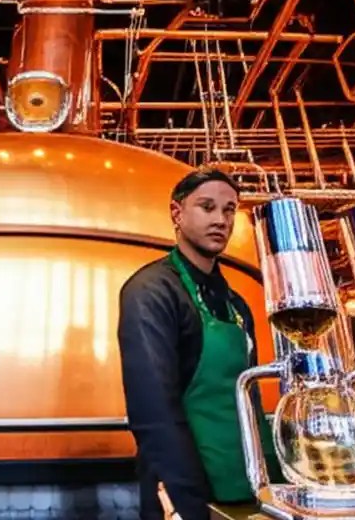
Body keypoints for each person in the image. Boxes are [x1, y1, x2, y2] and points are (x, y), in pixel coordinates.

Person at [117, 168, 277, 520]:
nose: (221, 219)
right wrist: (191, 506)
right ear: (177, 213)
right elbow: (153, 411)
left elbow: (248, 401)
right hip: (188, 494)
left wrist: (273, 481)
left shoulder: (236, 303)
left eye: (229, 209)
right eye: (207, 207)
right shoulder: (151, 291)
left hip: (251, 488)